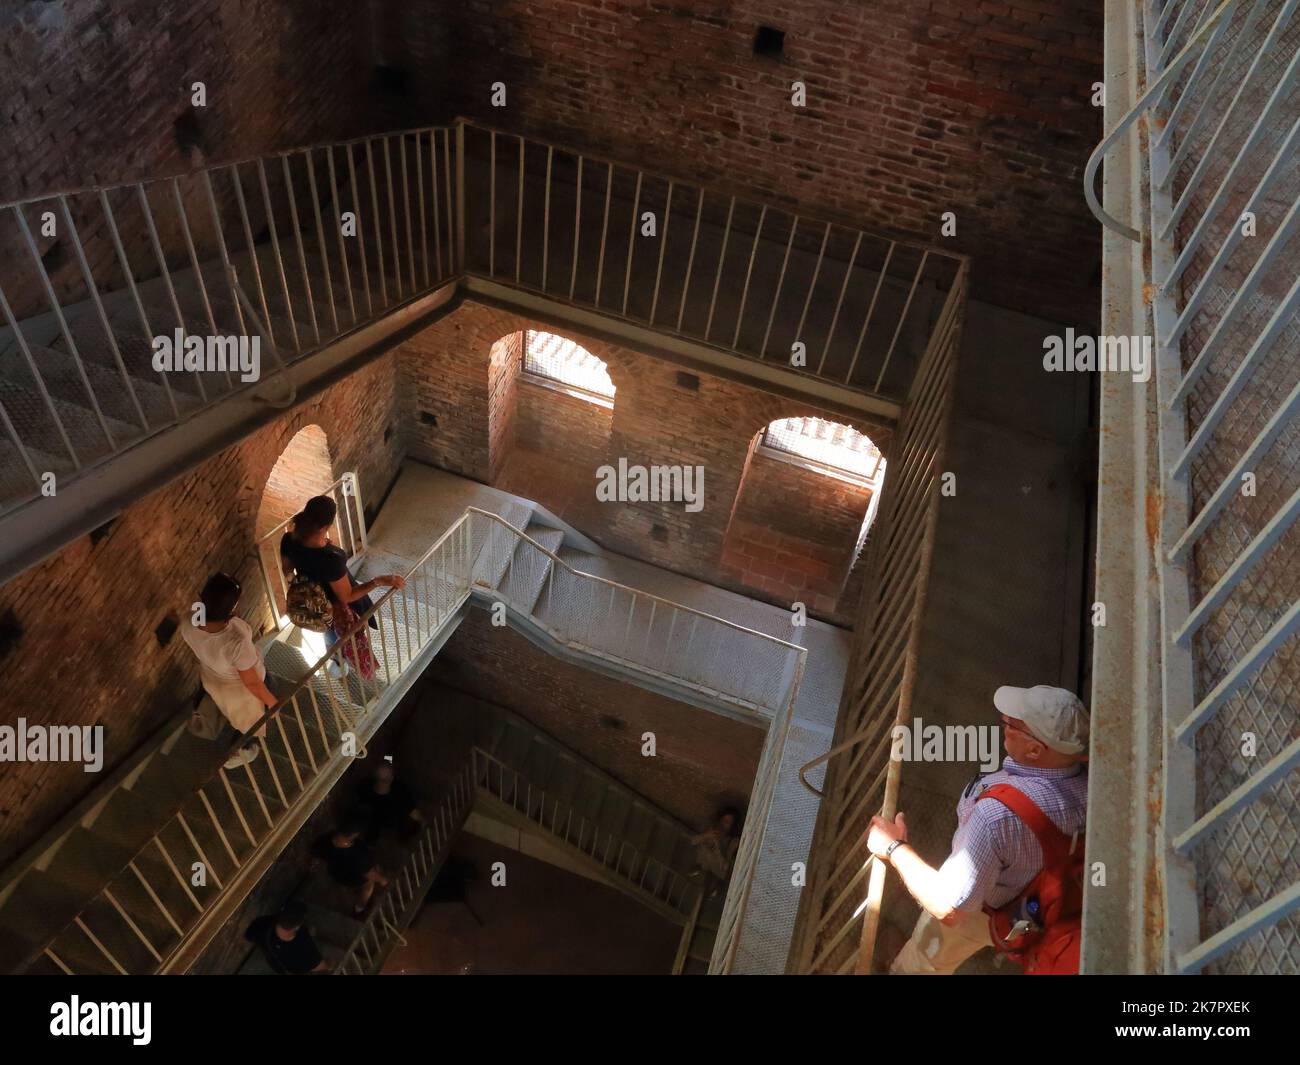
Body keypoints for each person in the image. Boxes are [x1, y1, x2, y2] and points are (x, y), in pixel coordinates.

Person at [866, 684, 1089, 975]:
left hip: (983, 910)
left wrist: (893, 847)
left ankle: (906, 968)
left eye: (1012, 724)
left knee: (930, 955)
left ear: (1035, 749)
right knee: (1001, 933)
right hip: (1035, 904)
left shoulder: (995, 818)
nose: (1005, 722)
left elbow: (947, 906)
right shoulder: (1093, 785)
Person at [279, 495, 404, 678]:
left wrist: (307, 584)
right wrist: (378, 581)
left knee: (328, 631)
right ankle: (341, 659)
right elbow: (347, 596)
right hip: (337, 608)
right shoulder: (331, 559)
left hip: (317, 606)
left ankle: (336, 661)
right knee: (342, 636)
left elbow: (287, 570)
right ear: (325, 527)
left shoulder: (289, 540)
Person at [179, 573, 276, 770]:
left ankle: (239, 747)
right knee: (251, 723)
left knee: (234, 714)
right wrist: (274, 704)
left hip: (213, 679)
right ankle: (241, 751)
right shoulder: (234, 642)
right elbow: (252, 683)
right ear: (231, 608)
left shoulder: (189, 621)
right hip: (242, 693)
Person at [311, 815, 389, 916]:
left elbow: (316, 853)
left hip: (334, 870)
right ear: (353, 835)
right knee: (369, 884)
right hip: (348, 877)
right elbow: (374, 876)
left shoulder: (326, 838)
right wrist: (384, 882)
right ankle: (360, 907)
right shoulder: (357, 853)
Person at [244, 901, 328, 974]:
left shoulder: (262, 923)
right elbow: (322, 968)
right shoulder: (303, 939)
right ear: (297, 927)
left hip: (277, 965)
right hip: (293, 969)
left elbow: (249, 936)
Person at [357, 762, 425, 843]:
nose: (381, 783)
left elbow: (411, 809)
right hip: (374, 828)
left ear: (391, 778)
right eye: (378, 779)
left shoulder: (399, 790)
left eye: (385, 780)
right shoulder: (366, 790)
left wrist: (422, 822)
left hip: (393, 827)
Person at [688, 807, 742, 898]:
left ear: (732, 827)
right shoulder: (710, 829)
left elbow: (725, 865)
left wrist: (719, 845)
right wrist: (706, 836)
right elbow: (692, 841)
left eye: (728, 823)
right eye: (723, 820)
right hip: (704, 865)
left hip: (717, 871)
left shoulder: (732, 842)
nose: (723, 824)